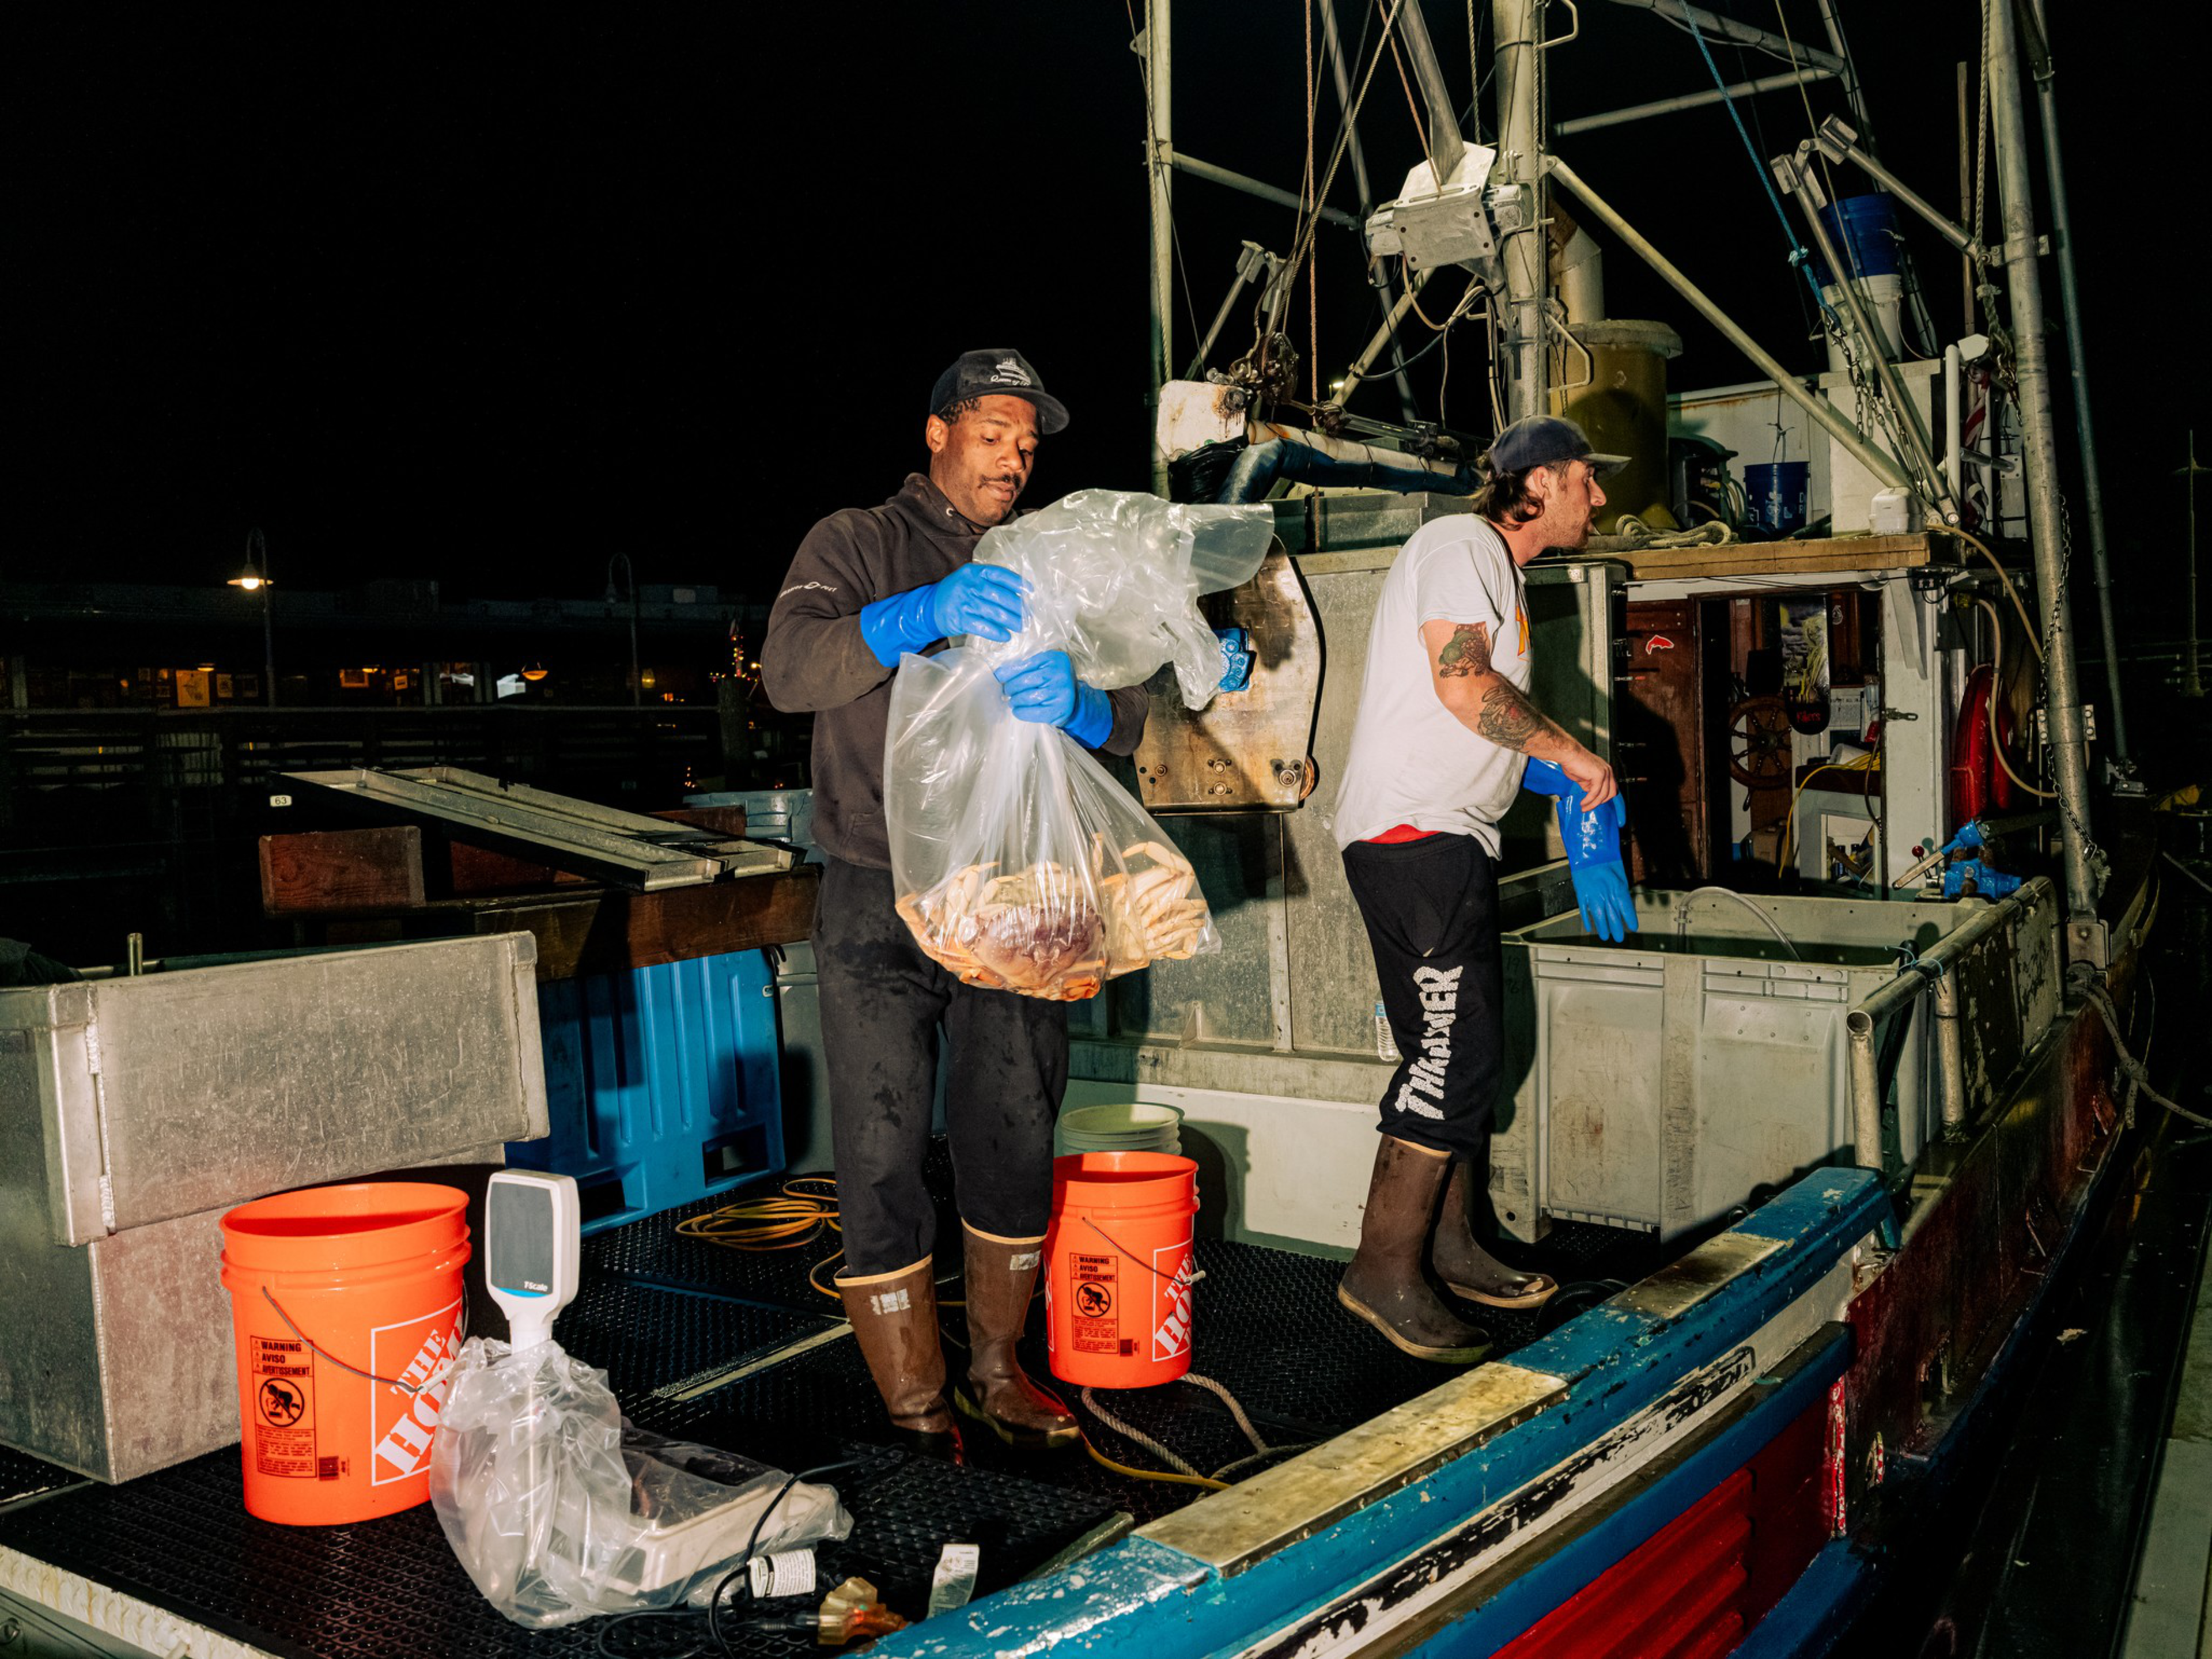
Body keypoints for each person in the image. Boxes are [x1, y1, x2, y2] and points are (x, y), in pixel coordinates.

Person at [759, 349, 1148, 1452]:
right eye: (992, 433)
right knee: (879, 1152)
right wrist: (910, 614)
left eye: (1029, 442)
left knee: (1014, 1130)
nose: (1016, 458)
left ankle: (995, 1367)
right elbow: (790, 670)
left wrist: (1082, 706)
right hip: (878, 890)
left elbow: (1131, 720)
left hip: (1018, 888)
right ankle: (917, 1399)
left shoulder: (1047, 563)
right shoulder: (856, 541)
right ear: (936, 433)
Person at [1329, 414, 1638, 1362]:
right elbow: (1464, 683)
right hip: (1415, 837)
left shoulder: (1491, 569)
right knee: (1449, 1061)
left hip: (1440, 836)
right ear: (1536, 483)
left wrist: (1556, 779)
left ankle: (1450, 1246)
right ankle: (1381, 1271)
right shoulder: (1463, 544)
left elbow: (1464, 716)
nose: (1598, 495)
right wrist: (1573, 753)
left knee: (1457, 1049)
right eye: (1586, 477)